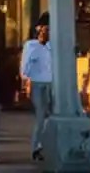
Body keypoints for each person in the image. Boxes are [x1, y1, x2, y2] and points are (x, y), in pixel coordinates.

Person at [20, 12, 53, 161]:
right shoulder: (31, 46)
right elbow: (24, 69)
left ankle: (48, 145)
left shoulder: (52, 46)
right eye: (45, 29)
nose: (48, 33)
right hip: (37, 84)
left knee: (51, 116)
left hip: (52, 84)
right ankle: (36, 147)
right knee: (41, 115)